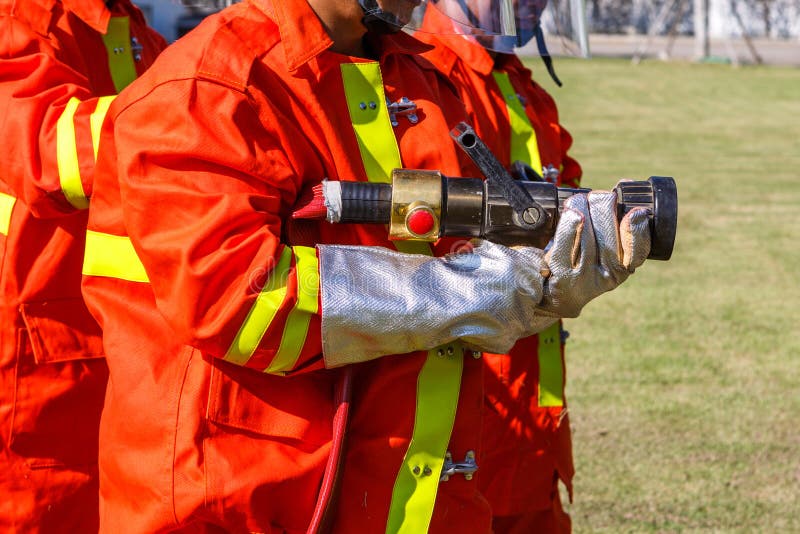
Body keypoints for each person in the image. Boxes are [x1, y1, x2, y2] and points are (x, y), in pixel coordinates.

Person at [80, 0, 651, 532]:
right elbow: (241, 301)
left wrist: (546, 274)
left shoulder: (411, 76)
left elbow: (454, 263)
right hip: (240, 501)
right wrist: (485, 291)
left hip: (402, 495)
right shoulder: (210, 85)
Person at [0, 1, 166, 531]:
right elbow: (50, 154)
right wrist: (198, 103)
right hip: (35, 351)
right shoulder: (17, 18)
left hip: (109, 342)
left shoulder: (129, 28)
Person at [416, 3, 581, 531]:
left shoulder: (516, 83)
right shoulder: (424, 85)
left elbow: (568, 196)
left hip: (531, 412)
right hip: (473, 414)